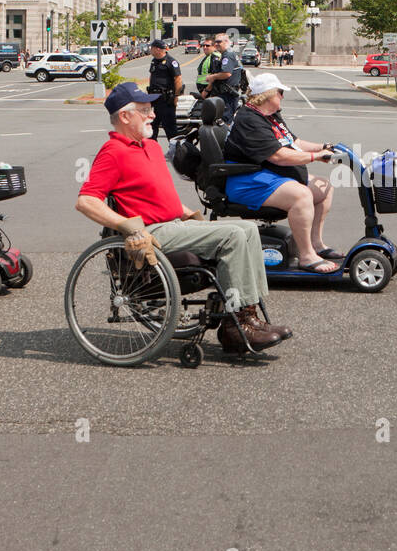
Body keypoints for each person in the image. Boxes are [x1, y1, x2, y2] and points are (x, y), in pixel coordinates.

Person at [75, 81, 291, 354]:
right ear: (125, 116)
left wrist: (185, 211)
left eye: (150, 108)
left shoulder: (151, 147)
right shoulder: (113, 152)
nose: (153, 114)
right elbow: (86, 201)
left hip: (174, 224)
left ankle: (248, 315)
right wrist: (124, 225)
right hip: (154, 232)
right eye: (145, 110)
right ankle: (236, 326)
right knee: (233, 235)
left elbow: (155, 192)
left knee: (247, 228)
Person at [223, 72, 340, 274]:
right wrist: (317, 157)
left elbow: (294, 143)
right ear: (267, 95)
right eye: (280, 92)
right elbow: (278, 156)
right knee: (302, 195)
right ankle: (306, 256)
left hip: (266, 175)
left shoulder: (270, 116)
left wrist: (325, 146)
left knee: (324, 188)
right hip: (246, 180)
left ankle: (316, 244)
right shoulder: (249, 119)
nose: (282, 96)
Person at [204, 32, 244, 123]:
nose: (216, 44)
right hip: (226, 94)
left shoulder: (228, 55)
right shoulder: (227, 53)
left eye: (219, 42)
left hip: (228, 95)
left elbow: (226, 73)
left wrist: (213, 77)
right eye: (215, 42)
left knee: (225, 122)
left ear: (226, 42)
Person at [146, 39, 183, 140]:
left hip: (166, 99)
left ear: (157, 49)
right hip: (154, 99)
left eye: (152, 48)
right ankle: (152, 151)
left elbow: (178, 79)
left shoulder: (171, 62)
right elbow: (151, 76)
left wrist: (176, 96)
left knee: (170, 128)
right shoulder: (154, 61)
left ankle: (176, 151)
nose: (150, 50)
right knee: (152, 127)